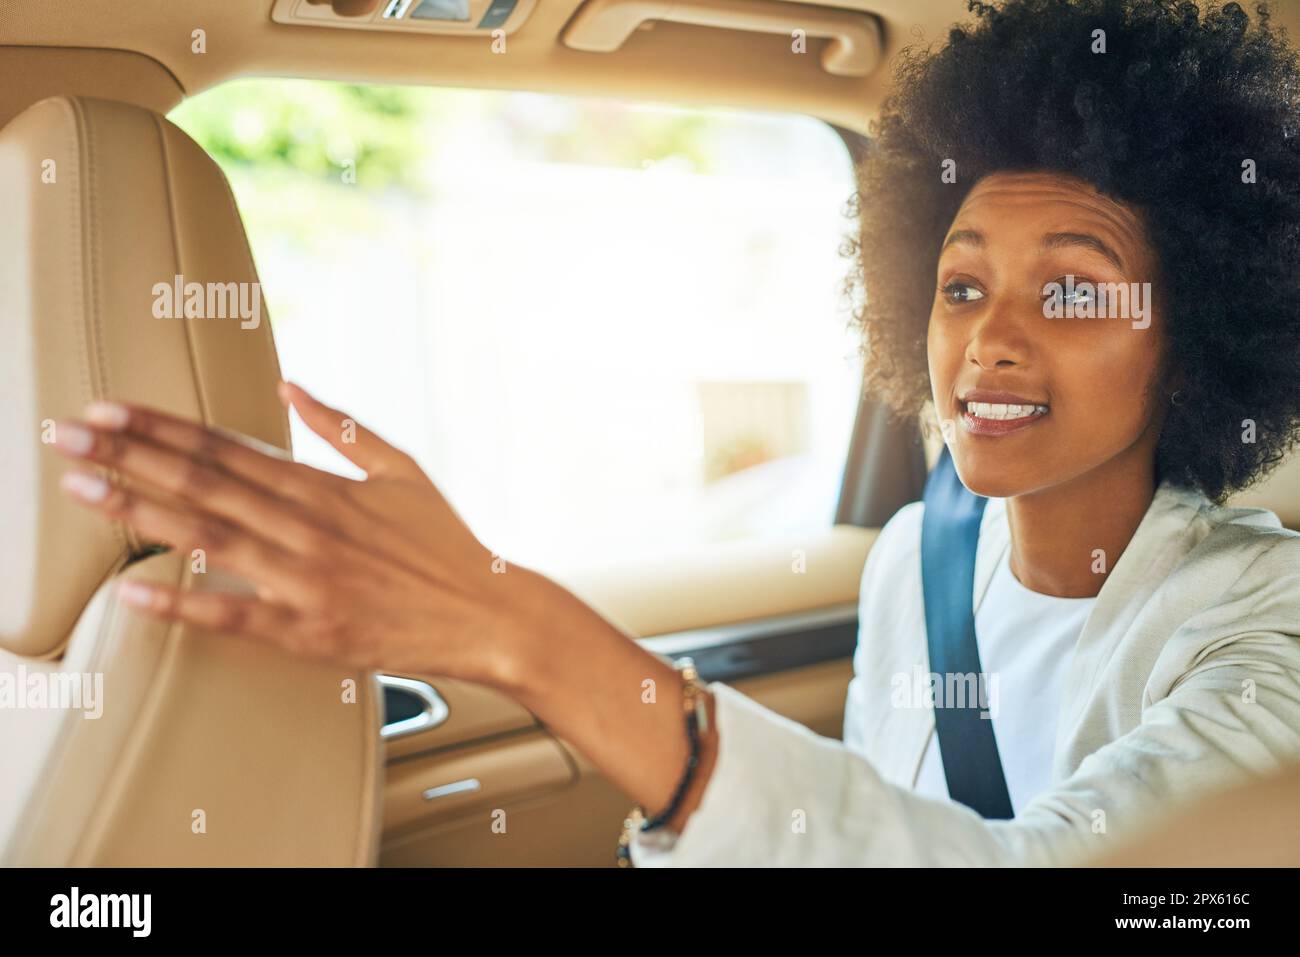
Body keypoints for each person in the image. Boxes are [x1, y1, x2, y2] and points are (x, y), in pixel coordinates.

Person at [49, 0, 1300, 865]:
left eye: (1073, 290)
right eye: (961, 285)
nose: (990, 339)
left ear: (1194, 341)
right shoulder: (913, 563)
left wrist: (513, 624)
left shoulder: (1264, 623)